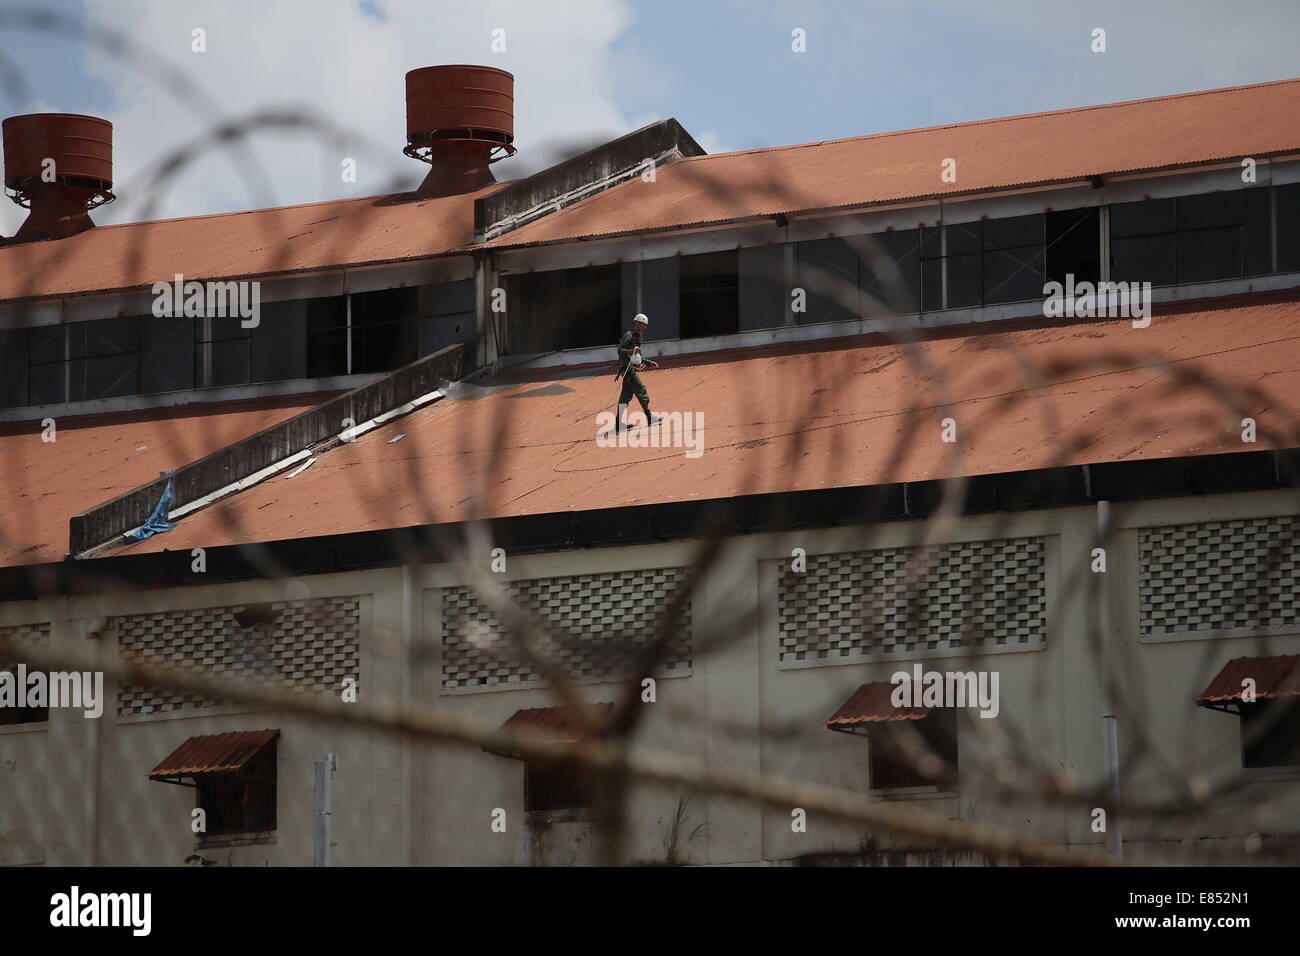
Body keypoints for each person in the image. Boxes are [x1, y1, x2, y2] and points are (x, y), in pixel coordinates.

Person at [615, 313, 661, 430]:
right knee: (641, 391)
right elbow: (620, 350)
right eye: (644, 325)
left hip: (629, 369)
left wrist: (649, 362)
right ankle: (650, 417)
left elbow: (637, 356)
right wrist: (630, 351)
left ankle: (618, 424)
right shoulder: (628, 335)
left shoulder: (637, 336)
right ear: (638, 324)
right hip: (628, 370)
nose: (645, 327)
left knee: (625, 397)